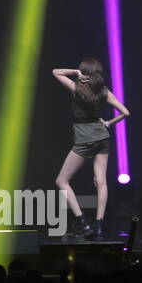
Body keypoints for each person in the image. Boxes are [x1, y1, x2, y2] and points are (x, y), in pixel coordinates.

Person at [52, 59, 128, 239]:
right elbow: (125, 112)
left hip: (84, 139)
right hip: (102, 137)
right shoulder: (104, 92)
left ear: (84, 73)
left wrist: (75, 72)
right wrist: (108, 123)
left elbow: (55, 71)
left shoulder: (76, 88)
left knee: (61, 181)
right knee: (101, 181)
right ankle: (99, 224)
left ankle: (82, 222)